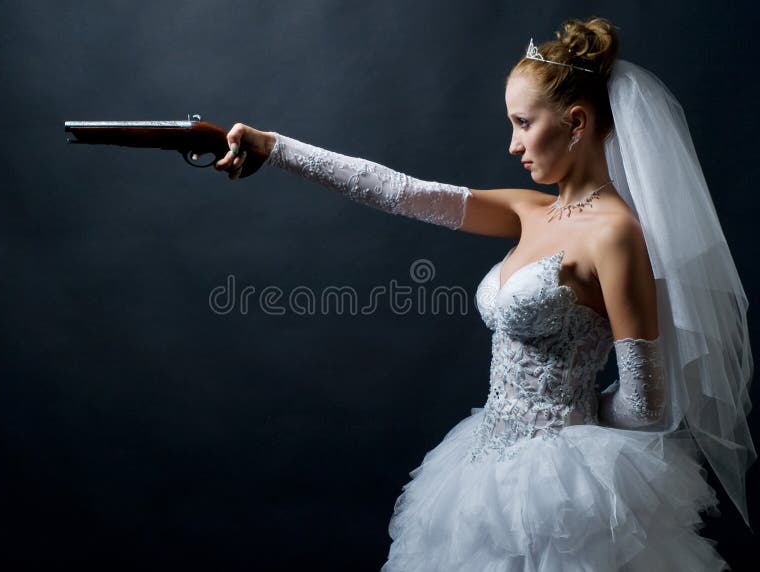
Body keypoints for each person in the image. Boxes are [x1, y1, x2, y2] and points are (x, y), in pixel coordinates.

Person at [214, 17, 753, 571]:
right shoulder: (531, 209)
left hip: (561, 493)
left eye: (523, 123)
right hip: (481, 468)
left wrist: (568, 424)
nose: (513, 144)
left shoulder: (614, 234)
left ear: (576, 122)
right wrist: (274, 148)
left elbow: (646, 405)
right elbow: (401, 193)